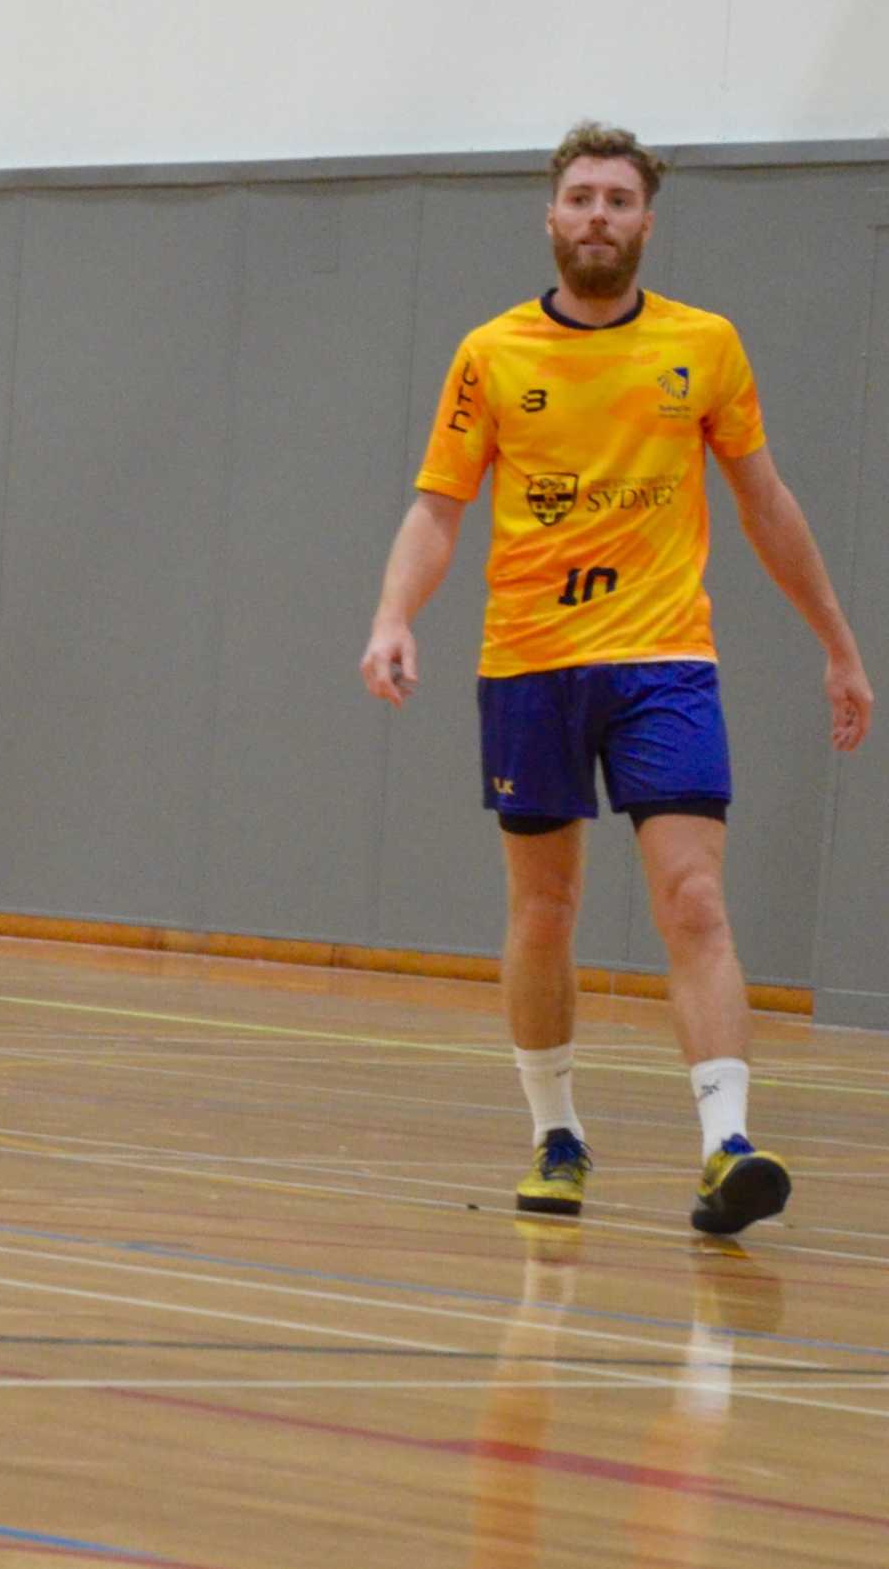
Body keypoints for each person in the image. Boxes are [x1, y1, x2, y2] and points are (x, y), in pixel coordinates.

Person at [359, 122, 872, 1237]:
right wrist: (396, 615)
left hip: (666, 662)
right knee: (545, 907)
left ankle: (725, 1143)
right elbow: (439, 506)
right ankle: (557, 1131)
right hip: (531, 667)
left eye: (619, 200)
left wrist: (838, 642)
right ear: (551, 218)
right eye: (581, 197)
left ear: (647, 221)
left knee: (692, 897)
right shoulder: (492, 354)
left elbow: (766, 504)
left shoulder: (707, 348)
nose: (598, 215)